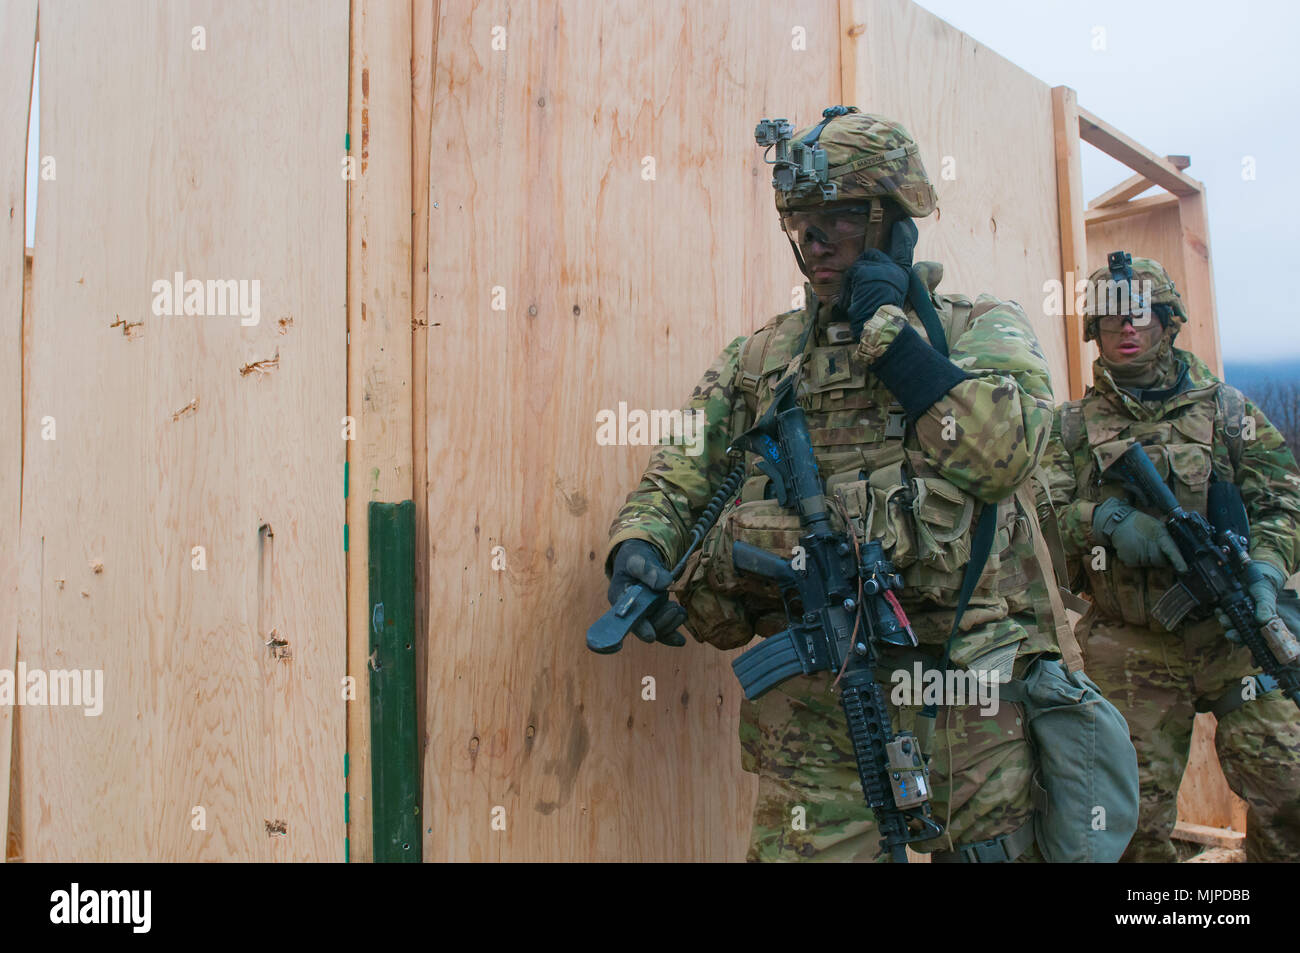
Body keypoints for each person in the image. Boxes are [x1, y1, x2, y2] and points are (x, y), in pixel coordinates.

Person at [601, 106, 1074, 862]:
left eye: (838, 224)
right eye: (801, 226)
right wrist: (640, 541)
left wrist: (891, 335)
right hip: (821, 698)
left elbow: (1006, 455)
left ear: (895, 223)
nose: (815, 246)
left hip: (968, 690)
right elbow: (682, 469)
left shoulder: (979, 329)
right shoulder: (763, 359)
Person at [1038, 252, 1300, 862]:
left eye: (1139, 316)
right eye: (1109, 321)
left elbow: (1283, 502)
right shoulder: (1071, 428)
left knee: (1289, 790)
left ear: (1167, 321)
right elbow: (1037, 516)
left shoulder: (1228, 412)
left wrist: (1263, 571)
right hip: (1129, 643)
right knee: (1121, 821)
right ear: (1095, 334)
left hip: (1233, 633)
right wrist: (1104, 519)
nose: (1125, 330)